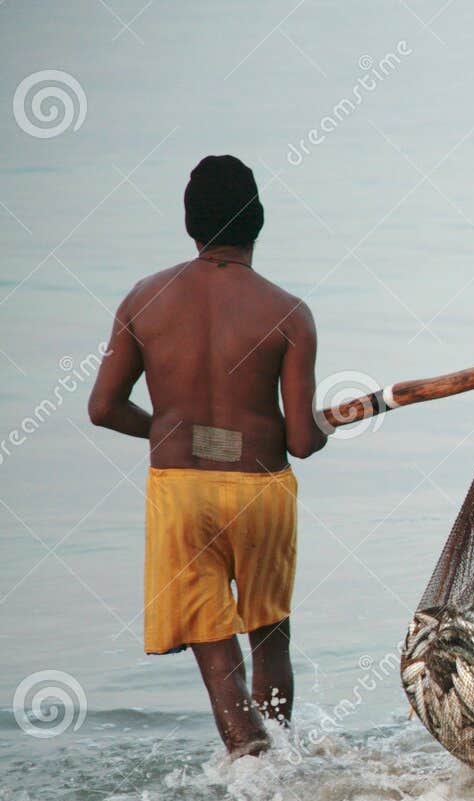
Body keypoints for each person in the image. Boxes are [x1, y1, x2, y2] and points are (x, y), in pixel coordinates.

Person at [87, 155, 326, 756]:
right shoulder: (289, 313)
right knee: (270, 635)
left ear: (191, 225)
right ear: (259, 223)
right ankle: (286, 770)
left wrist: (171, 432)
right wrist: (322, 426)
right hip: (261, 490)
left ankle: (248, 760)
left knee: (212, 641)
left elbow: (103, 408)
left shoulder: (144, 299)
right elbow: (301, 440)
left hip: (182, 490)